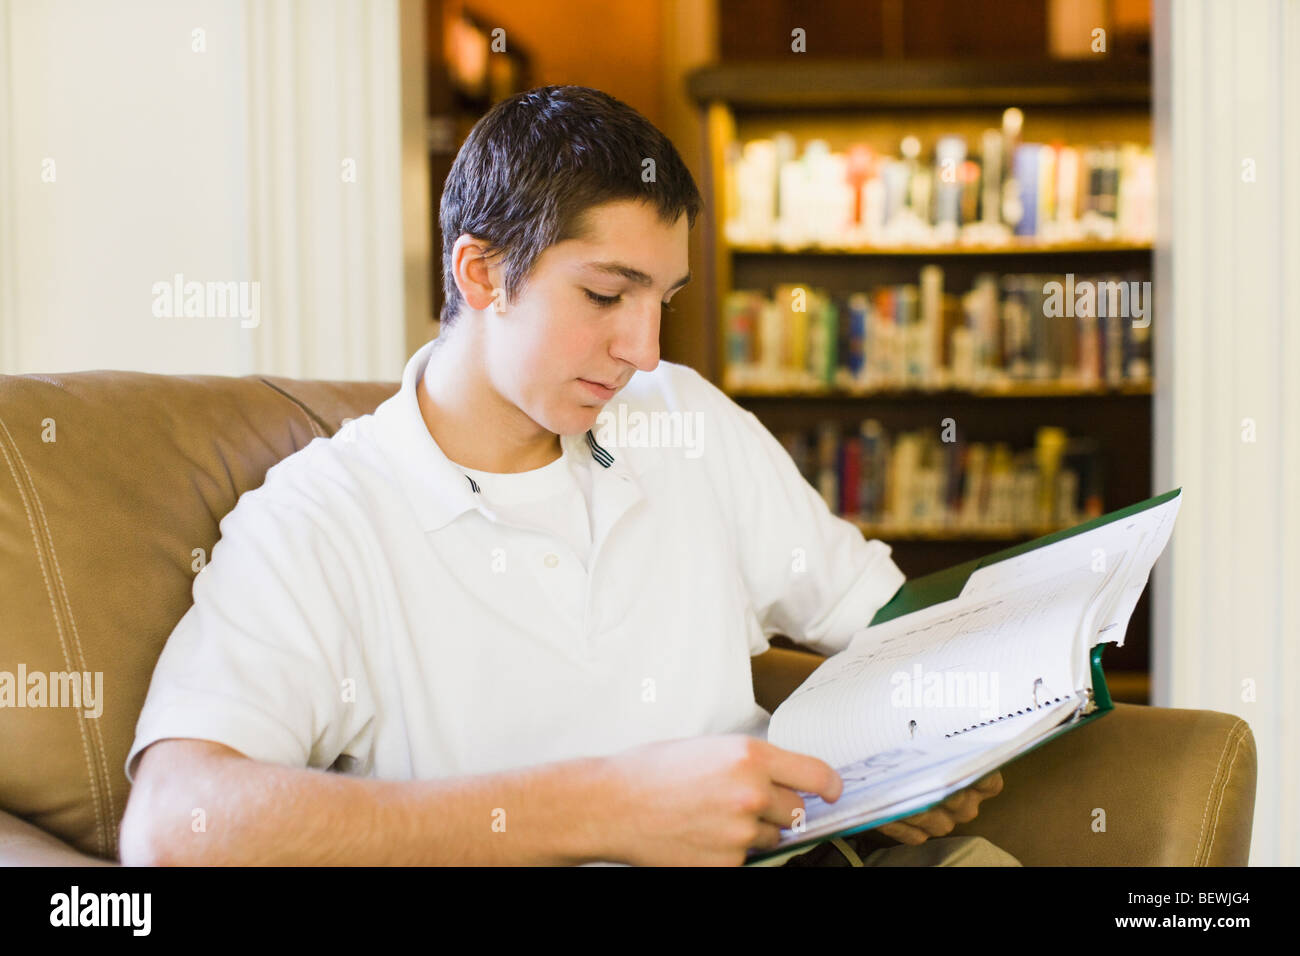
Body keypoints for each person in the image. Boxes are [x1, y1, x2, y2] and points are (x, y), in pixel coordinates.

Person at [118, 85, 1015, 867]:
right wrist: (609, 810)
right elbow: (174, 826)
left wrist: (917, 752)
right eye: (604, 295)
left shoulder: (682, 417)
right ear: (482, 273)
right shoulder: (324, 520)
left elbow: (884, 625)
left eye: (662, 301)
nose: (644, 350)